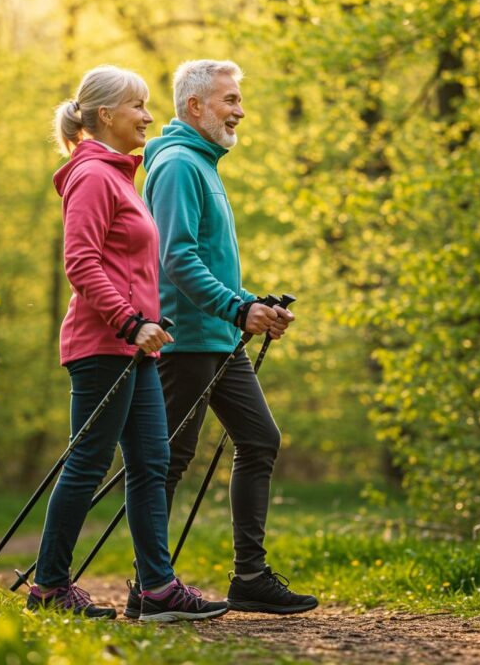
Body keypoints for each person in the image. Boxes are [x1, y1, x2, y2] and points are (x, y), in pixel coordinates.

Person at [26, 65, 228, 622]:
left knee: (150, 463)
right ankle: (49, 587)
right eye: (137, 106)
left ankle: (158, 588)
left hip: (136, 348)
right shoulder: (92, 176)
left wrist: (144, 328)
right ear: (105, 114)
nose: (147, 115)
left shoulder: (119, 177)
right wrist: (130, 322)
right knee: (88, 463)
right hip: (103, 344)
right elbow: (81, 262)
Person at [125, 59, 318, 616]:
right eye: (229, 100)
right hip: (185, 340)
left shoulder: (202, 164)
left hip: (218, 337)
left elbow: (206, 260)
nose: (240, 111)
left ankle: (249, 577)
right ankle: (150, 587)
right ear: (195, 106)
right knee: (168, 461)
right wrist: (237, 308)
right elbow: (177, 258)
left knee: (259, 440)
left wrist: (254, 303)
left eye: (238, 100)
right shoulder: (178, 165)